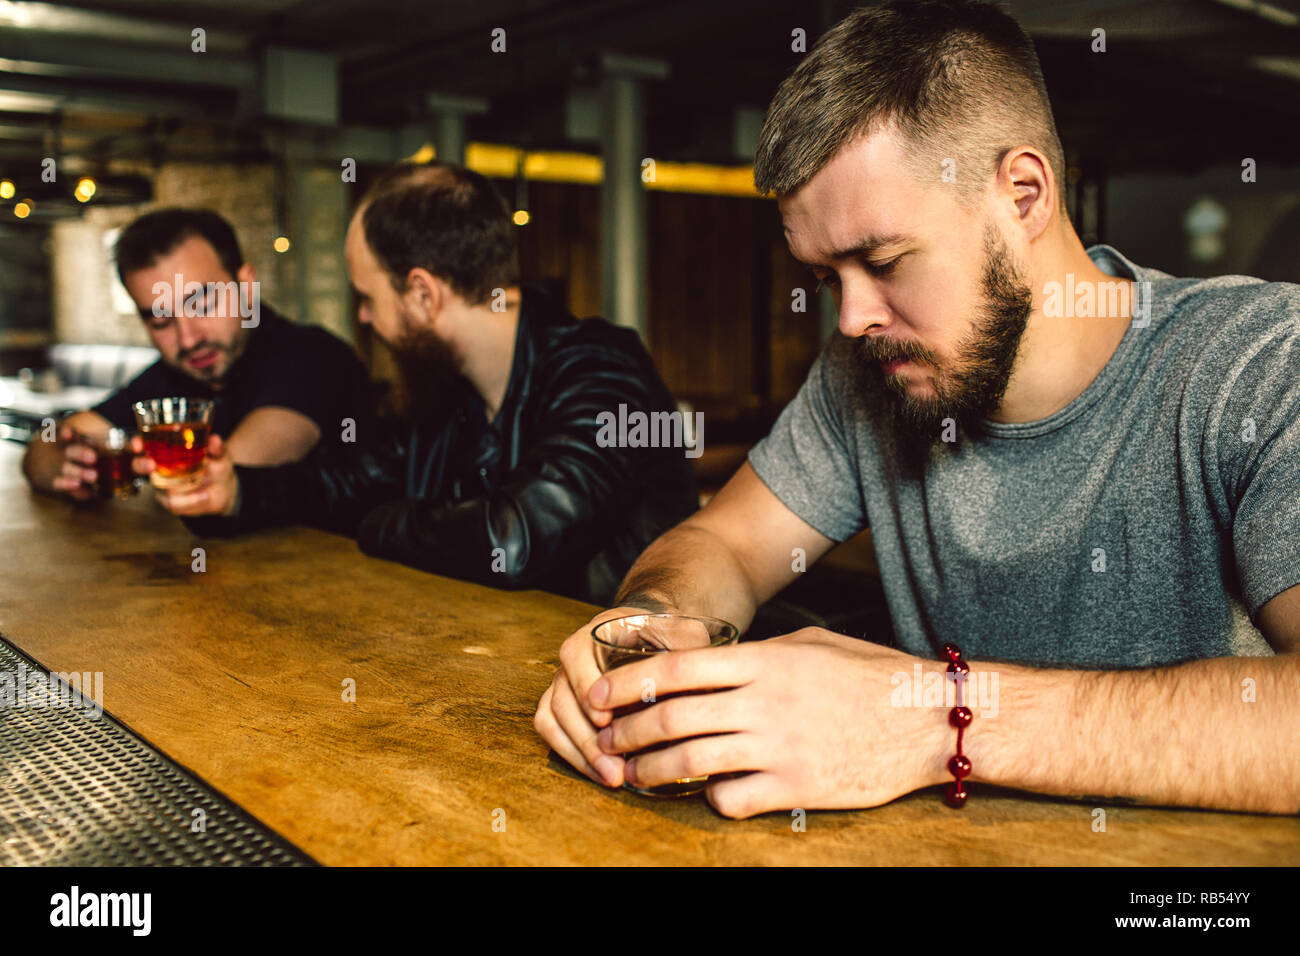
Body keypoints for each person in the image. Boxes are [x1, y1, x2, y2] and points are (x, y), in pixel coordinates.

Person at [534, 0, 1300, 818]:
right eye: (829, 277)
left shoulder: (1255, 361)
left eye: (885, 259)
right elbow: (725, 541)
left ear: (1026, 194)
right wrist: (653, 625)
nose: (852, 319)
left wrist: (937, 718)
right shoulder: (870, 373)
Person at [157, 162, 699, 606]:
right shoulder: (445, 387)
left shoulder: (601, 370)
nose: (364, 319)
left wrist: (381, 525)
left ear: (422, 294)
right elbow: (345, 480)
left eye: (367, 298)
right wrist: (237, 493)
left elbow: (513, 541)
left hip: (622, 680)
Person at [22, 208, 372, 498]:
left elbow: (219, 479)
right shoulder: (170, 376)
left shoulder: (313, 357)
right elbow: (43, 446)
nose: (188, 339)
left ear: (246, 286)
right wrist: (68, 465)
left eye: (202, 303)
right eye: (160, 320)